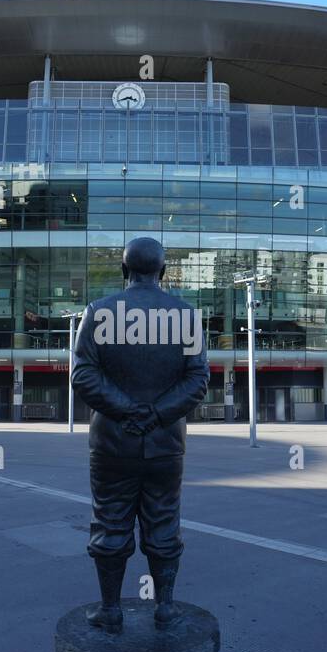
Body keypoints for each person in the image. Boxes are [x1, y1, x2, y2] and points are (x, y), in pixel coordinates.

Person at [71, 237, 210, 632]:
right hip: (166, 443)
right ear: (162, 272)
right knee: (164, 520)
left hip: (113, 440)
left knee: (110, 521)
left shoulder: (99, 312)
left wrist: (129, 411)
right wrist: (155, 415)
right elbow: (198, 380)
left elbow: (82, 375)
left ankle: (110, 610)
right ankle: (165, 607)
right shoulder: (184, 316)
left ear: (124, 270)